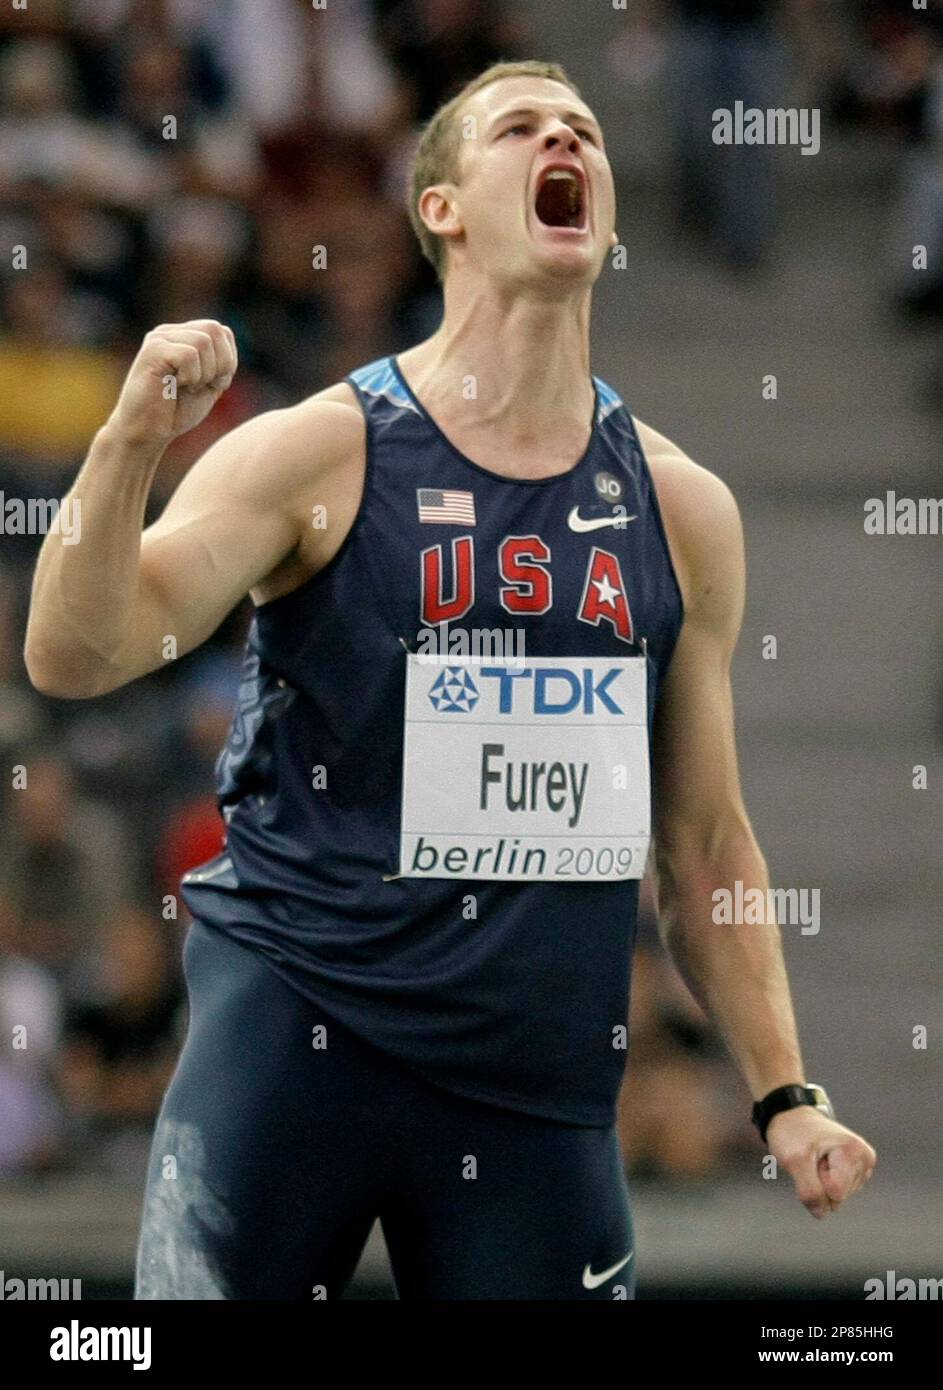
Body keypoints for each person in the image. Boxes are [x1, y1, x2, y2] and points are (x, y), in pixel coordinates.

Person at [24, 59, 876, 1301]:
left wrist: (784, 1091)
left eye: (582, 129)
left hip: (531, 1080)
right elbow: (76, 651)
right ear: (443, 208)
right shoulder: (323, 451)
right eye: (520, 127)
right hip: (297, 1026)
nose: (563, 139)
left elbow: (701, 842)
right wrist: (128, 444)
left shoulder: (682, 509)